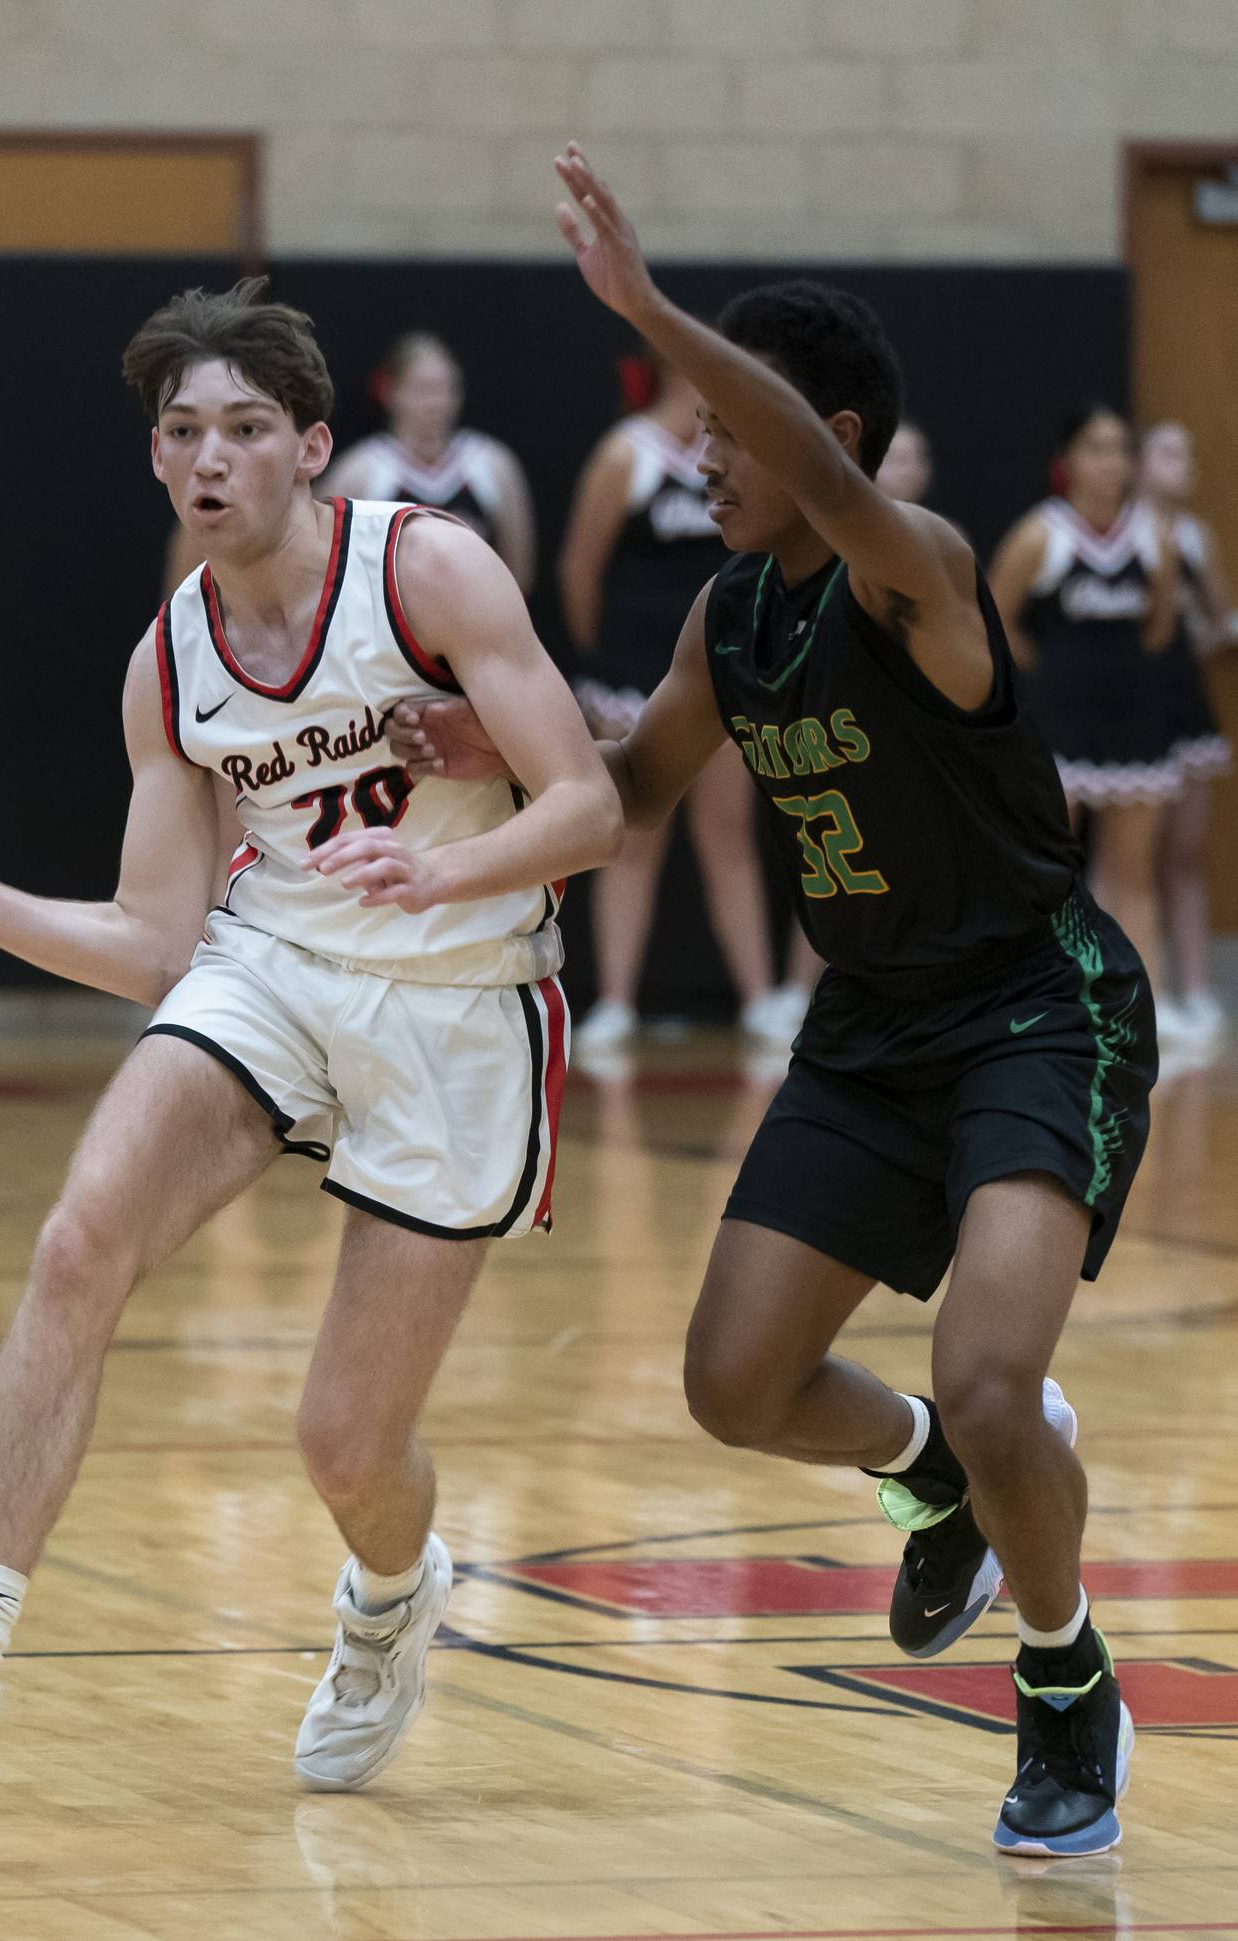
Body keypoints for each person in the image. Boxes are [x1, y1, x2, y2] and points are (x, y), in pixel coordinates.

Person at [394, 145, 1155, 1859]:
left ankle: (1061, 1676)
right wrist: (497, 753)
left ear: (835, 448)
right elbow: (634, 789)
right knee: (734, 1383)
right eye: (699, 424)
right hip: (872, 1029)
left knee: (991, 1370)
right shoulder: (729, 623)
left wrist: (650, 304)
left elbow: (806, 453)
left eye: (732, 431)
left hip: (1038, 1009)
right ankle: (943, 1482)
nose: (704, 455)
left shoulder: (921, 576)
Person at [0, 279, 620, 1798]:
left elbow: (593, 806)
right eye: (184, 431)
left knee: (342, 1445)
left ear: (315, 446)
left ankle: (393, 1597)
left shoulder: (427, 570)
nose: (211, 457)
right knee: (78, 1244)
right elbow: (151, 942)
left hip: (460, 996)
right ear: (159, 459)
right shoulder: (170, 661)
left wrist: (445, 866)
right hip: (275, 967)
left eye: (246, 428)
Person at [560, 354, 812, 1050]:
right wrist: (610, 658)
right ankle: (615, 1002)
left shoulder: (734, 459)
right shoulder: (625, 454)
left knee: (729, 833)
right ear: (680, 372)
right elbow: (580, 571)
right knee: (634, 837)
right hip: (633, 674)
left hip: (722, 672)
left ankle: (760, 999)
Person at [987, 407, 1181, 990]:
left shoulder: (1155, 535)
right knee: (1049, 870)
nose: (1110, 462)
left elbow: (1161, 626)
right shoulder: (1039, 533)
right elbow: (997, 619)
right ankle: (1039, 995)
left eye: (1120, 449)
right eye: (1096, 449)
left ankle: (1146, 1002)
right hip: (1058, 724)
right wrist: (1054, 673)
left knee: (1136, 873)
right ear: (1067, 461)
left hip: (1134, 720)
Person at [1138, 420, 1234, 1039]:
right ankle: (1144, 992)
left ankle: (1196, 987)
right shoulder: (1121, 537)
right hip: (1129, 711)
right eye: (1170, 452)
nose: (1185, 462)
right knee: (1131, 861)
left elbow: (1220, 621)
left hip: (1186, 705)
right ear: (1139, 463)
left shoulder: (1198, 536)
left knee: (1187, 853)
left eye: (1189, 451)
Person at [324, 332, 537, 592]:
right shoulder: (360, 470)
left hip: (475, 623)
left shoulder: (493, 463)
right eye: (423, 389)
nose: (436, 402)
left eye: (446, 388)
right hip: (390, 627)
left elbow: (520, 572)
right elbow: (322, 563)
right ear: (390, 392)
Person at [875, 418, 934, 506]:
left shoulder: (934, 519)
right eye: (897, 460)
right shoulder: (851, 518)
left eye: (919, 459)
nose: (908, 471)